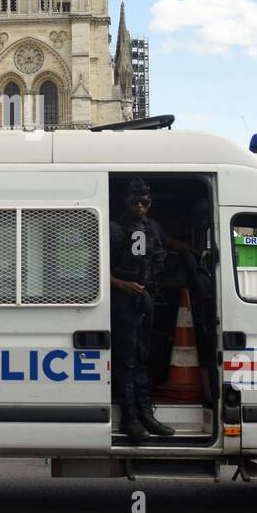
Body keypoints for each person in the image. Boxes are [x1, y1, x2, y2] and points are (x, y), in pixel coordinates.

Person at [109, 177, 176, 442]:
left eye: (144, 201)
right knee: (126, 358)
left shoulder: (154, 228)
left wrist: (198, 253)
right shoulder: (115, 229)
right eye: (135, 200)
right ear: (126, 200)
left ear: (151, 202)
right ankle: (129, 417)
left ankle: (145, 412)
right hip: (122, 299)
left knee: (142, 355)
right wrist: (122, 285)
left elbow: (169, 245)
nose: (139, 205)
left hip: (146, 298)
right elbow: (96, 271)